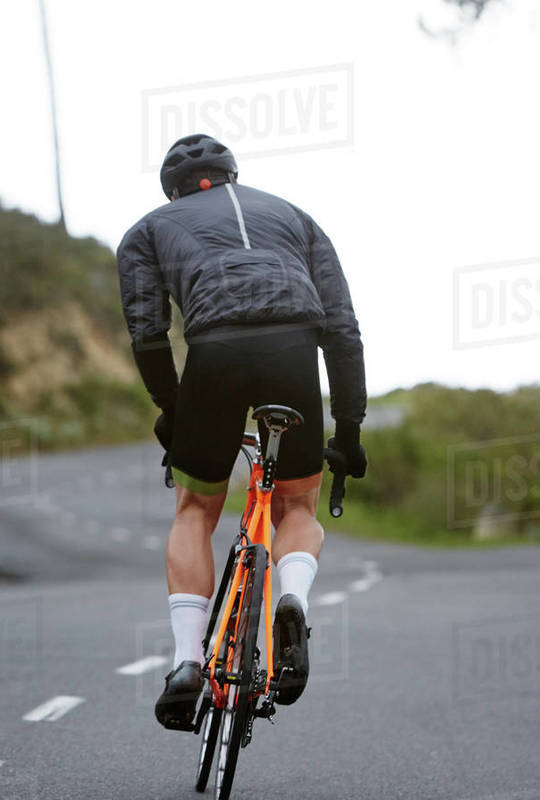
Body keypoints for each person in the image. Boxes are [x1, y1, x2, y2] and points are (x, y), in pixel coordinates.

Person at [117, 134, 367, 730]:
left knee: (196, 510)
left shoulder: (146, 231)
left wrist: (174, 411)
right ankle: (292, 600)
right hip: (293, 349)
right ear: (233, 175)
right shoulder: (295, 217)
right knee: (296, 504)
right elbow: (343, 328)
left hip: (215, 352)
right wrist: (349, 427)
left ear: (173, 191)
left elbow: (148, 335)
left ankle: (185, 662)